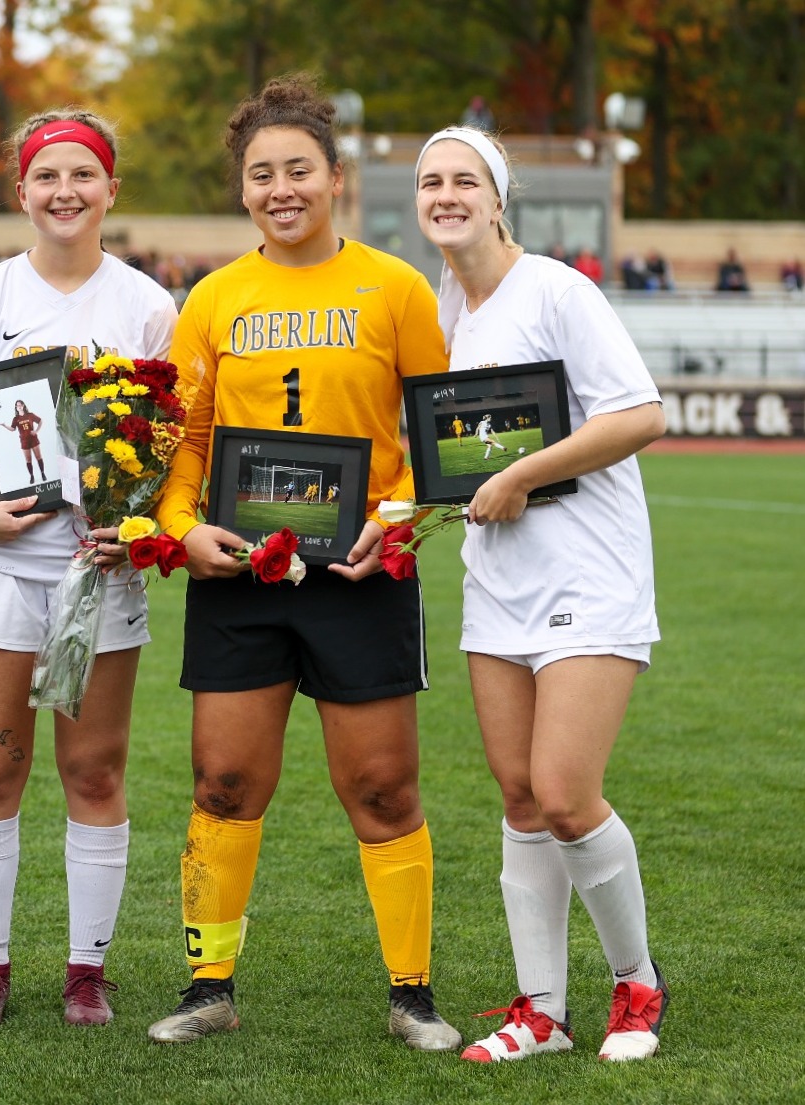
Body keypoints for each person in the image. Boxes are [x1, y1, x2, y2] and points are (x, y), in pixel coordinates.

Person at [146, 75, 461, 1051]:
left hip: (359, 577)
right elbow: (185, 442)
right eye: (258, 174)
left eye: (296, 169)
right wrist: (180, 526)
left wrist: (397, 523)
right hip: (239, 578)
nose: (278, 188)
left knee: (379, 787)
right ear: (240, 189)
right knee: (223, 782)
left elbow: (437, 432)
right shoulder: (212, 298)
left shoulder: (395, 287)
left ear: (333, 178)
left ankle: (410, 992)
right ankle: (208, 984)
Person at [416, 126, 668, 1063]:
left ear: (498, 195)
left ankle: (637, 983)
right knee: (520, 796)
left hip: (588, 575)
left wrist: (524, 473)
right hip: (500, 583)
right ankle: (542, 1011)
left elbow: (640, 414)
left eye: (464, 181)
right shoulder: (451, 305)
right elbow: (457, 459)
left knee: (566, 791)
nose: (446, 195)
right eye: (431, 182)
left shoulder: (559, 288)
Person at [0, 109, 176, 1027]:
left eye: (83, 174)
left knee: (94, 770)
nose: (64, 191)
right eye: (46, 177)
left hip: (98, 570)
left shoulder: (148, 305)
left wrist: (141, 526)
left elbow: (171, 446)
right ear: (21, 189)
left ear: (112, 186)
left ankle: (86, 970)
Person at [0, 398, 46, 483]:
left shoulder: (30, 415)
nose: (19, 407)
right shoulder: (16, 418)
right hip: (24, 441)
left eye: (20, 405)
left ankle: (42, 473)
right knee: (28, 460)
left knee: (38, 457)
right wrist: (4, 425)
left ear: (23, 406)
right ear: (16, 407)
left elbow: (40, 421)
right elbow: (13, 429)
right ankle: (32, 476)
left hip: (33, 439)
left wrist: (36, 431)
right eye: (17, 406)